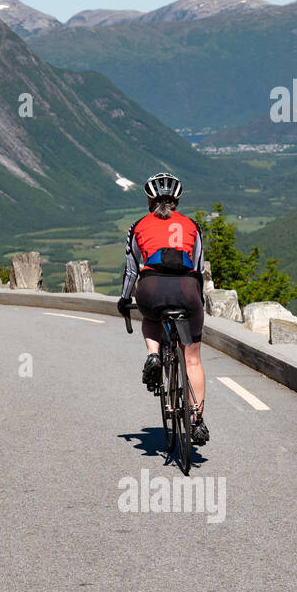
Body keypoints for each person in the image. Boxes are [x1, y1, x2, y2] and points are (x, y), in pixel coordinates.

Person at [116, 173, 209, 444]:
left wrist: (124, 300)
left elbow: (131, 270)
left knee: (151, 317)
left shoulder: (138, 226)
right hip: (187, 289)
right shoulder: (192, 225)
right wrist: (197, 301)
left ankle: (153, 354)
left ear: (149, 199)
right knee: (192, 360)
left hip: (152, 288)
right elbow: (200, 269)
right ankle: (197, 422)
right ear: (177, 200)